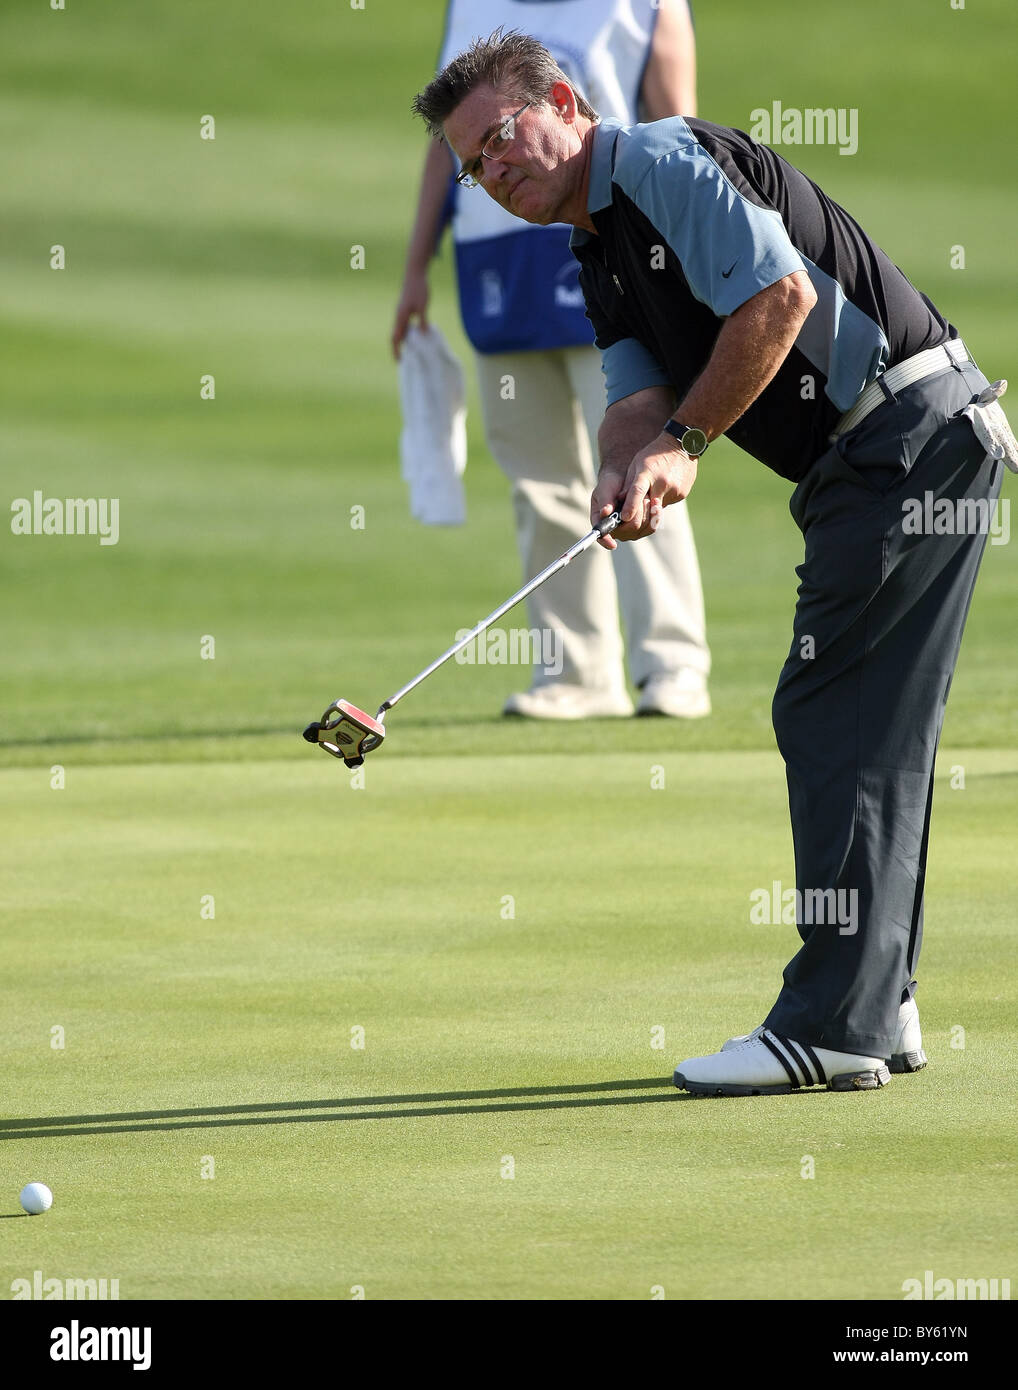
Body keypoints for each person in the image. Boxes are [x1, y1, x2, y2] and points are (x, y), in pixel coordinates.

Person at [410, 31, 1012, 1095]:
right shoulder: (594, 249)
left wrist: (684, 451)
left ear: (561, 100)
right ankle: (877, 1003)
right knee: (861, 724)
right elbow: (635, 395)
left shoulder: (655, 161)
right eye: (471, 167)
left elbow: (776, 300)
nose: (492, 175)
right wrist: (623, 468)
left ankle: (833, 1022)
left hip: (903, 440)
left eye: (500, 141)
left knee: (834, 717)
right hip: (882, 457)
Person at [393, 3, 711, 721]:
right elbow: (449, 147)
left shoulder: (645, 6)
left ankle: (673, 664)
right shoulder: (469, 6)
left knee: (643, 461)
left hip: (611, 244)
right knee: (539, 480)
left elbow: (680, 135)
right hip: (496, 259)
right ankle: (575, 671)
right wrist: (417, 267)